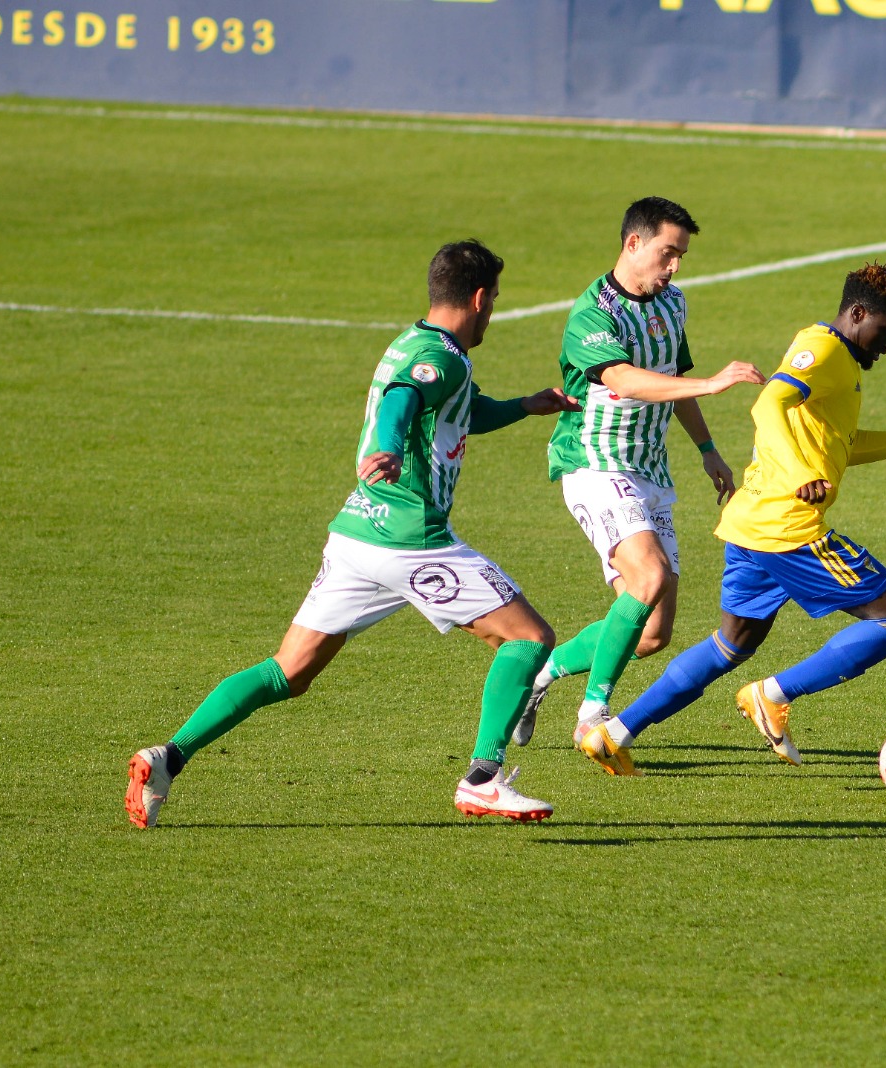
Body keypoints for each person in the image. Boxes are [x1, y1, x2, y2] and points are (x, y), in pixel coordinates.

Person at [125, 240, 579, 828]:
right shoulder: (437, 358)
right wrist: (388, 445)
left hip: (357, 537)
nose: (492, 311)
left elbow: (452, 409)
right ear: (477, 297)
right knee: (529, 638)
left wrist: (524, 405)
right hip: (410, 539)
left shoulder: (413, 344)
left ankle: (168, 757)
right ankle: (484, 779)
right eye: (492, 300)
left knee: (288, 672)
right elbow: (403, 399)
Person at [575, 262, 886, 776]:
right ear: (858, 314)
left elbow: (847, 447)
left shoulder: (842, 365)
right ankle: (772, 695)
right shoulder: (826, 349)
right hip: (787, 527)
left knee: (730, 645)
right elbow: (770, 400)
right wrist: (798, 476)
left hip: (752, 524)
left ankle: (613, 734)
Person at [509, 197, 764, 751]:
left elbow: (671, 377)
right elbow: (626, 379)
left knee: (651, 634)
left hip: (650, 470)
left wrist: (708, 449)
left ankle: (543, 674)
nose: (674, 266)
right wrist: (712, 384)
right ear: (634, 244)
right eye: (668, 253)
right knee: (647, 579)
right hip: (594, 464)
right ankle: (594, 713)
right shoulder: (593, 313)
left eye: (681, 256)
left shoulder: (672, 305)